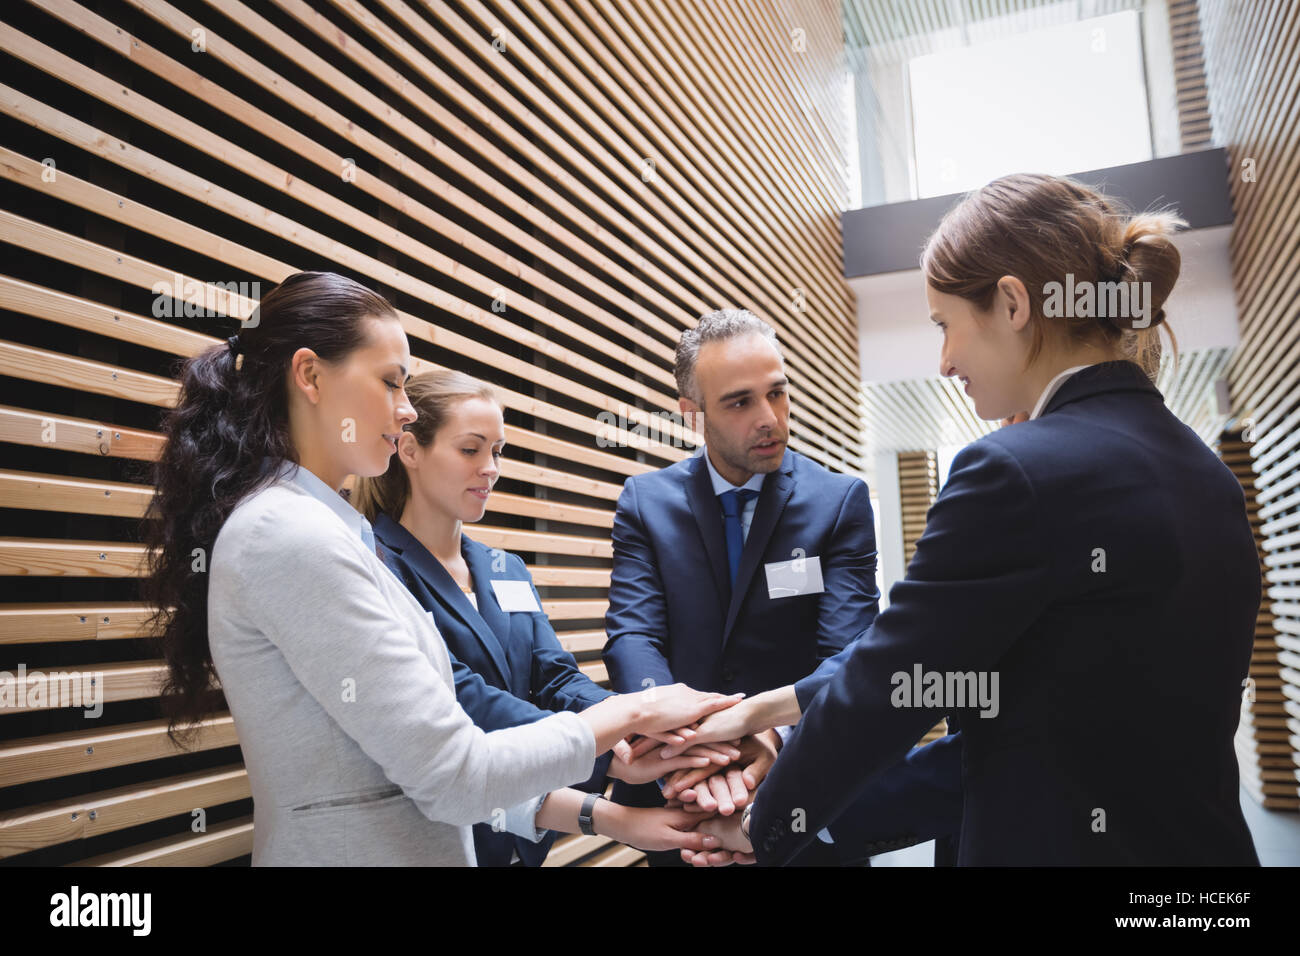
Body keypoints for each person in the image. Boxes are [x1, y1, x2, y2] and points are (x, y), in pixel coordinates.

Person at [679, 173, 1262, 866]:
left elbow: (895, 681)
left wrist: (764, 823)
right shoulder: (1208, 474)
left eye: (945, 324)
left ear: (1012, 302)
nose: (947, 360)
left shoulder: (1012, 472)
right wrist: (758, 712)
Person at [142, 270, 741, 866]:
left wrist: (611, 807)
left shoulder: (327, 531)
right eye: (391, 382)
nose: (405, 409)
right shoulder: (291, 535)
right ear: (310, 375)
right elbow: (454, 773)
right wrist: (627, 717)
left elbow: (413, 775)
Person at [602, 309, 963, 866]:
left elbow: (848, 654)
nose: (769, 417)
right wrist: (684, 744)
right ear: (692, 414)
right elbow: (633, 636)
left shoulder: (838, 502)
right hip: (679, 798)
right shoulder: (646, 503)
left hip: (806, 795)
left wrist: (771, 741)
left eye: (777, 393)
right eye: (740, 402)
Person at [352, 369, 740, 865]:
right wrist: (608, 749)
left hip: (523, 836)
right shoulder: (381, 566)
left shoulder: (503, 568)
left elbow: (553, 675)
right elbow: (462, 697)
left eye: (498, 451)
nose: (490, 468)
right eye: (471, 450)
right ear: (409, 451)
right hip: (436, 836)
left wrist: (634, 735)